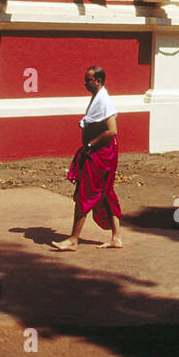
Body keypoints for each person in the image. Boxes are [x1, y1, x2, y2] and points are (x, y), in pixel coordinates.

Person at [51, 65, 123, 251]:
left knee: (86, 193)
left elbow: (112, 130)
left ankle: (73, 239)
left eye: (88, 80)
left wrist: (91, 144)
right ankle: (116, 237)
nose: (85, 83)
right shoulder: (97, 98)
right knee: (105, 192)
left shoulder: (104, 101)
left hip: (101, 153)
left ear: (98, 81)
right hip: (97, 152)